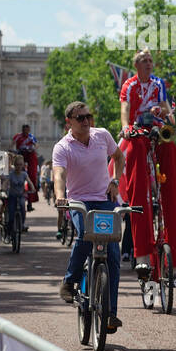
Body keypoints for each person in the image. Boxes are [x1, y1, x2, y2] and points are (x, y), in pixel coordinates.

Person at [54, 101, 125, 334]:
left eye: (88, 116)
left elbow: (118, 156)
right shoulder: (62, 147)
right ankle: (70, 280)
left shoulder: (102, 135)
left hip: (104, 199)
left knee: (113, 254)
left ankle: (111, 313)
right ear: (69, 122)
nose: (86, 121)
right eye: (80, 118)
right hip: (79, 201)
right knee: (85, 235)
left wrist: (115, 180)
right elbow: (60, 174)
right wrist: (59, 197)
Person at [118, 49, 176, 280]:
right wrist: (126, 127)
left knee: (172, 159)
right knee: (138, 188)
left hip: (157, 130)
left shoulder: (158, 83)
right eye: (144, 60)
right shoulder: (129, 85)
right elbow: (125, 109)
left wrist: (170, 116)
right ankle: (142, 256)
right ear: (136, 65)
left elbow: (165, 106)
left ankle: (173, 260)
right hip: (137, 134)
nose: (149, 63)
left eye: (150, 60)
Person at [0, 155, 30, 232]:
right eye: (17, 165)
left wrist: (32, 189)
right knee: (11, 211)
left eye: (20, 165)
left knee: (23, 207)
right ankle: (9, 225)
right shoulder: (11, 174)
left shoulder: (24, 174)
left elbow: (29, 182)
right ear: (15, 165)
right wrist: (3, 188)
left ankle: (21, 224)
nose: (19, 167)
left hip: (21, 195)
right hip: (12, 196)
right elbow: (5, 183)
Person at [12, 123, 39, 209]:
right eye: (25, 130)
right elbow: (12, 143)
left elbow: (36, 145)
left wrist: (34, 148)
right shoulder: (18, 136)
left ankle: (30, 202)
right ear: (22, 130)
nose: (26, 132)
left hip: (30, 155)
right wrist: (12, 150)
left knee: (32, 177)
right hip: (21, 155)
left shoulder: (31, 137)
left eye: (27, 130)